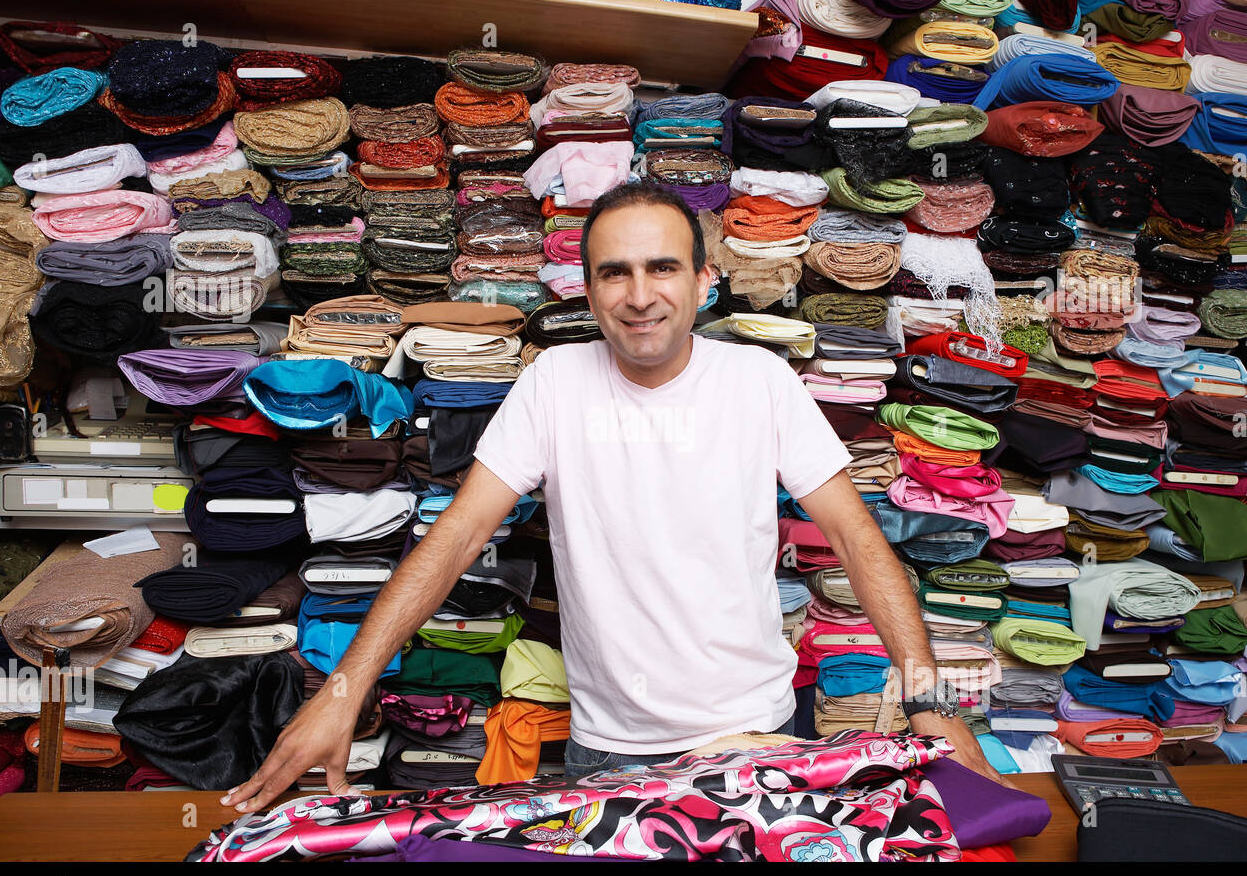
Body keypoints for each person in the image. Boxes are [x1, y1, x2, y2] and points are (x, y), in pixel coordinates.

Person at [223, 181, 1007, 811]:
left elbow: (855, 536)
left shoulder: (759, 380)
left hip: (754, 729)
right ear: (589, 288)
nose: (639, 295)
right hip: (609, 746)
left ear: (704, 281)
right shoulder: (553, 383)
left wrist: (929, 702)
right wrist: (343, 687)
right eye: (614, 272)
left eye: (662, 267)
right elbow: (454, 540)